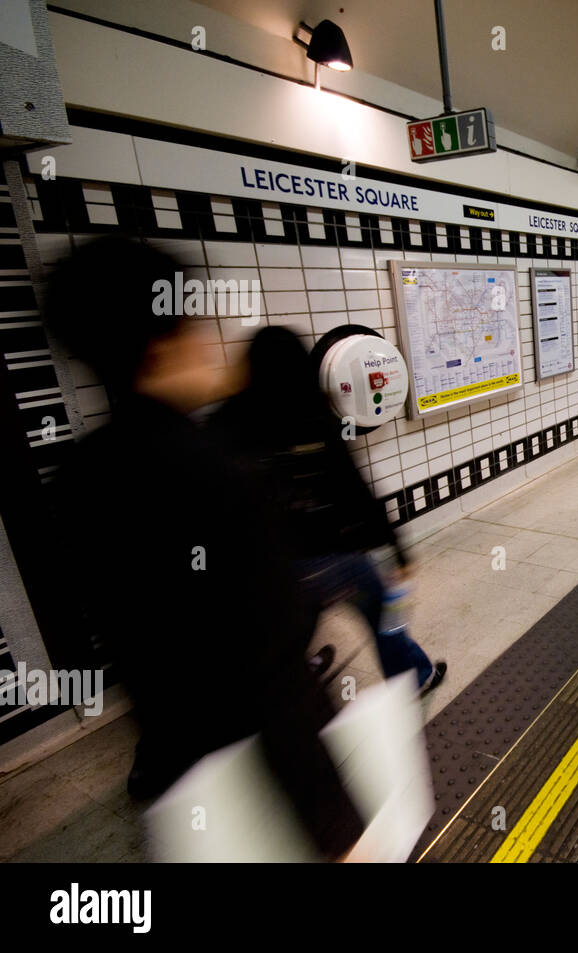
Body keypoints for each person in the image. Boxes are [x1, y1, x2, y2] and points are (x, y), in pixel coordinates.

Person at [45, 237, 365, 860]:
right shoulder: (213, 473)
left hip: (182, 778)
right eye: (197, 322)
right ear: (164, 341)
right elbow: (269, 668)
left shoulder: (78, 479)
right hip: (265, 778)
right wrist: (337, 831)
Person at [212, 327, 446, 696]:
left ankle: (298, 678)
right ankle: (415, 676)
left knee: (289, 631)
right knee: (384, 612)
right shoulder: (310, 411)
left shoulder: (227, 422)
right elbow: (354, 487)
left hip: (272, 568)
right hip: (331, 558)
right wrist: (395, 547)